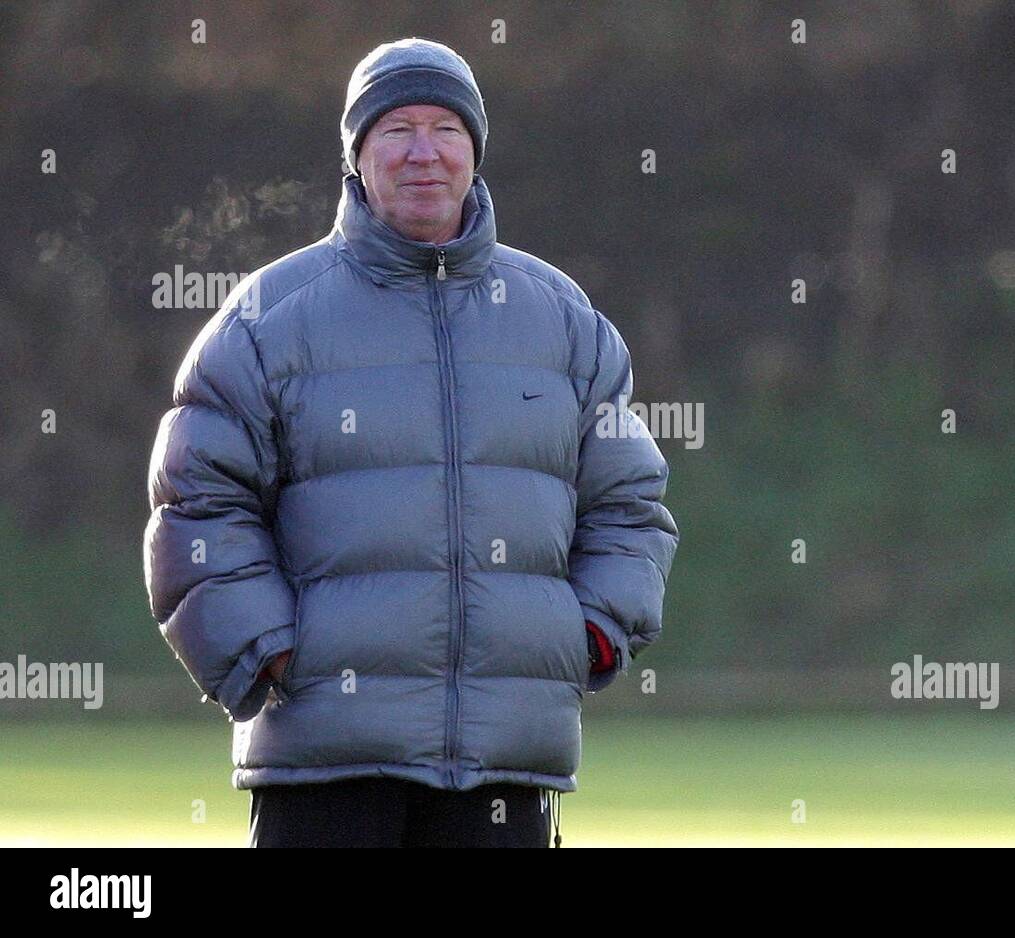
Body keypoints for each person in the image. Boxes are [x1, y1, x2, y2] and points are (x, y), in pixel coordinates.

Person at [142, 37, 679, 847]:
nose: (423, 153)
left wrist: (591, 632)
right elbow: (194, 504)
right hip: (325, 767)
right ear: (357, 154)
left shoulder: (562, 319)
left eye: (446, 129)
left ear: (475, 151)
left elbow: (629, 504)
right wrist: (267, 654)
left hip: (507, 766)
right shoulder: (266, 320)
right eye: (396, 129)